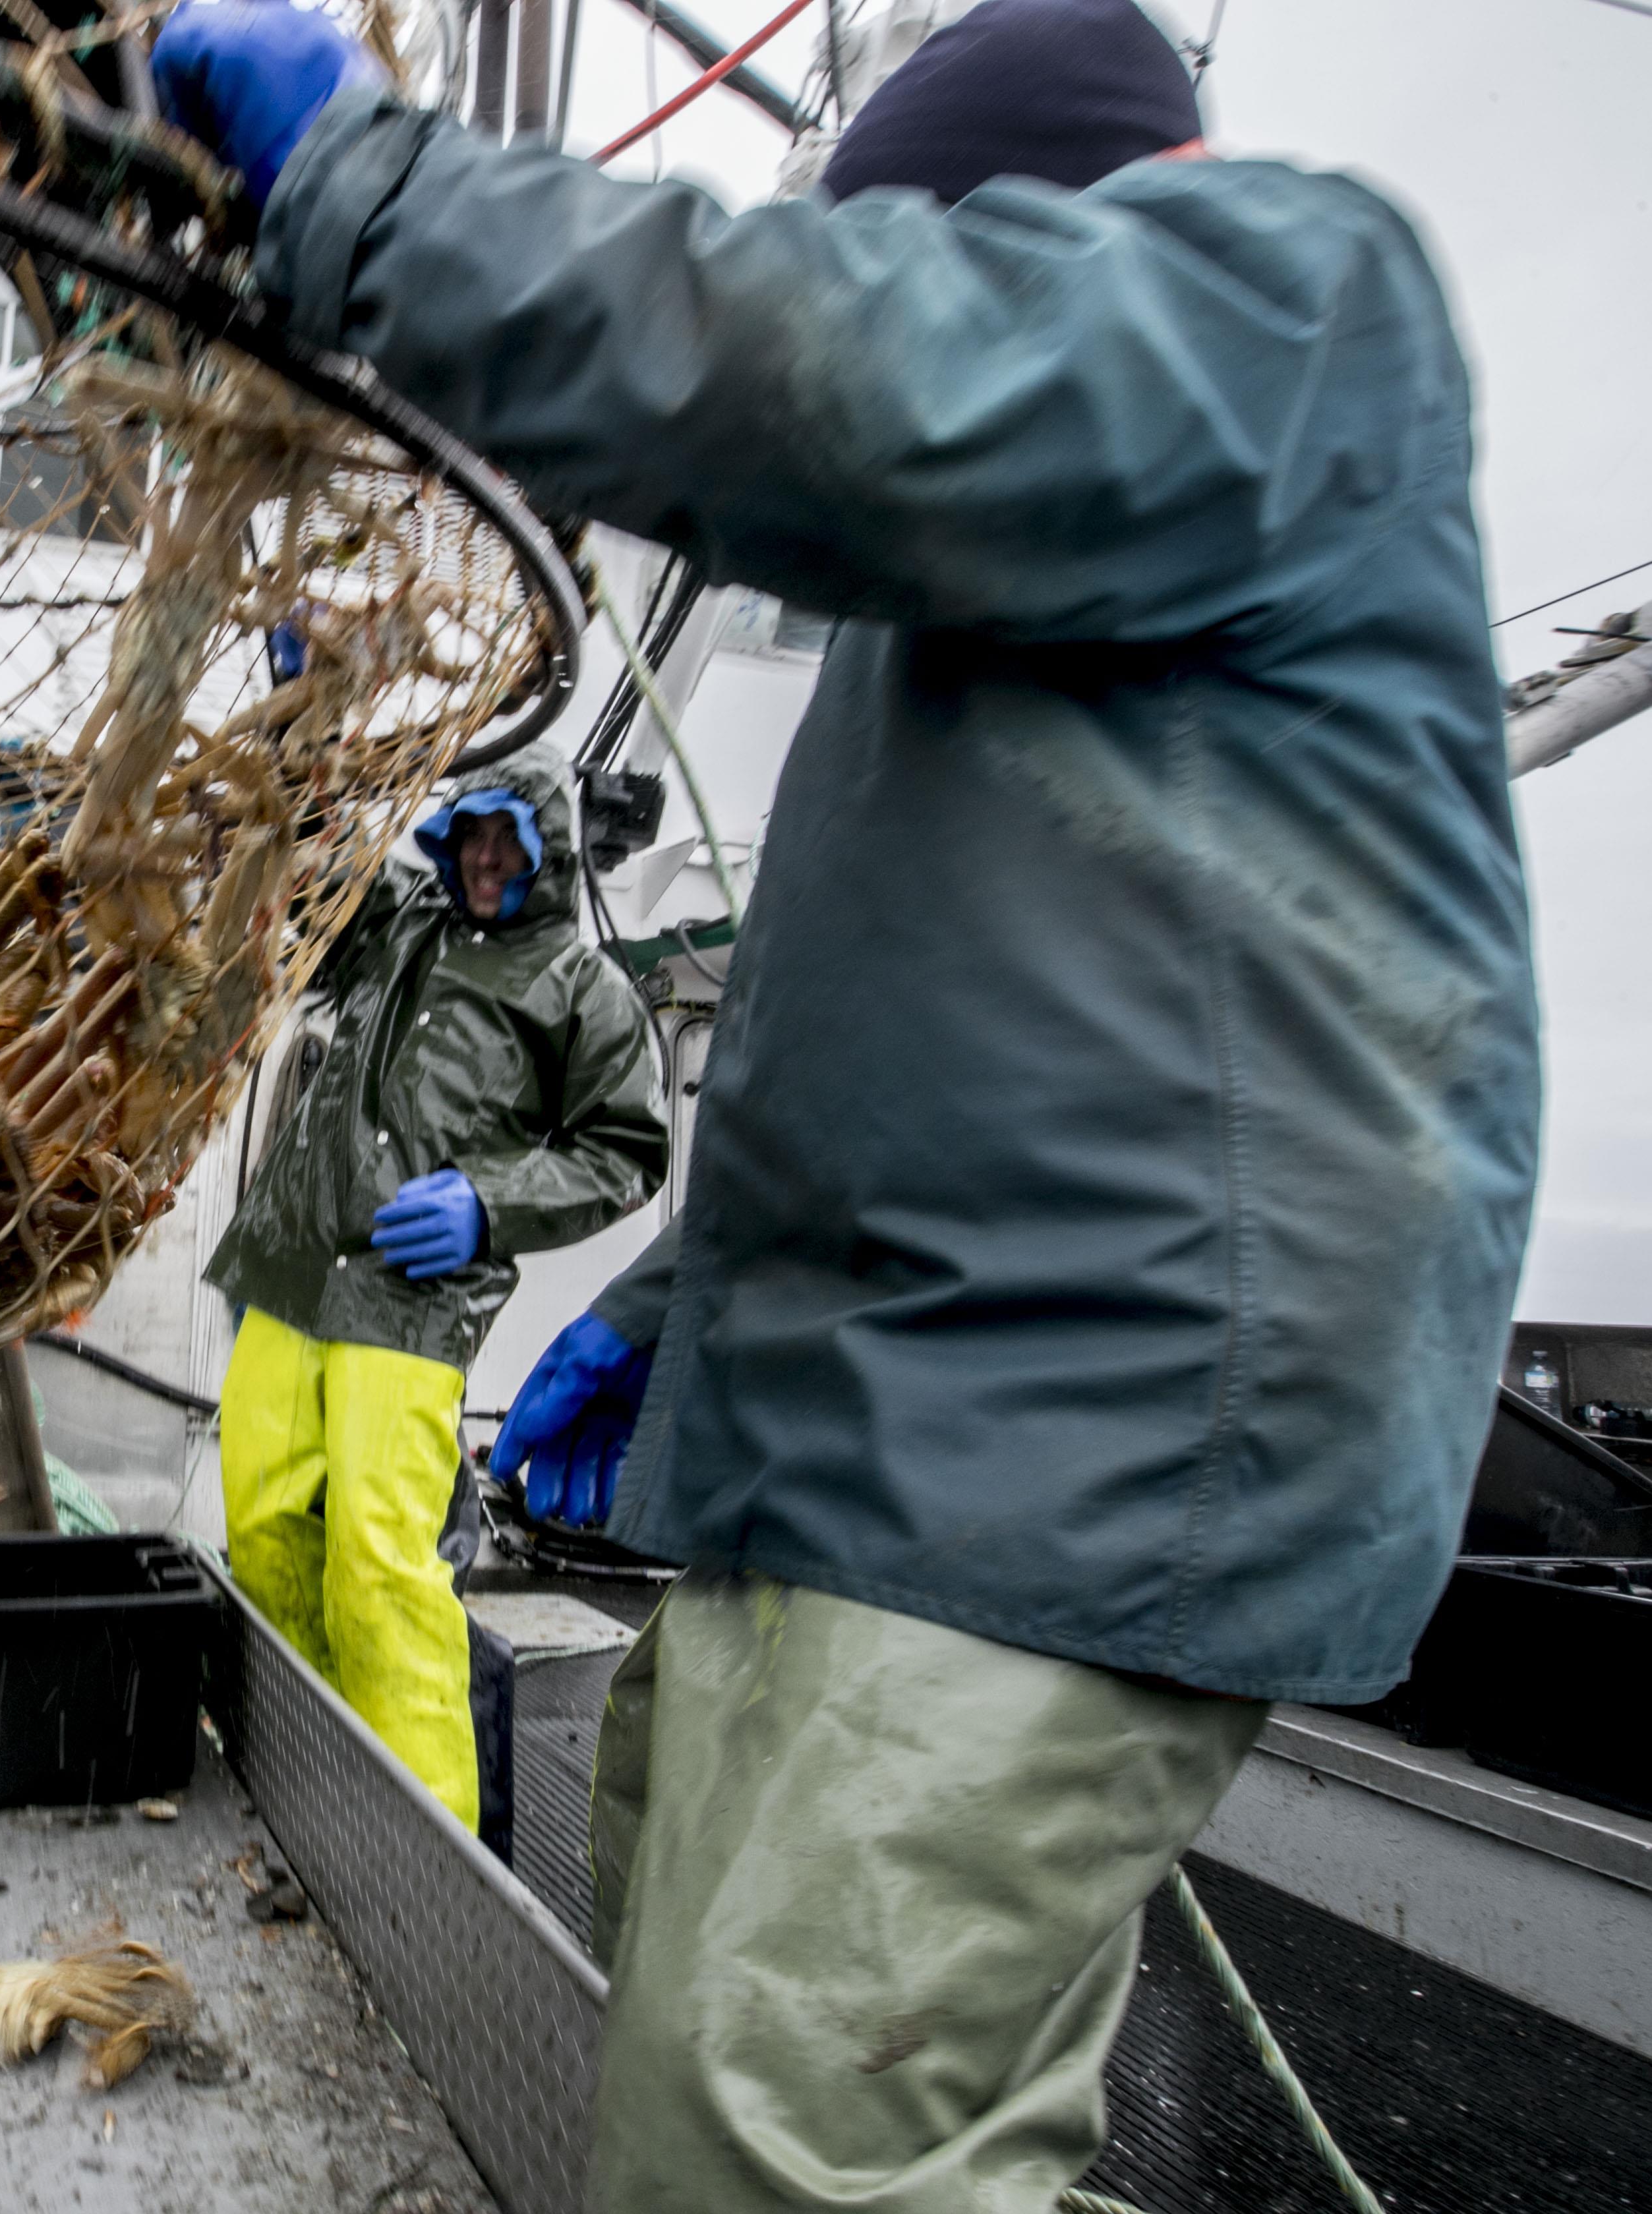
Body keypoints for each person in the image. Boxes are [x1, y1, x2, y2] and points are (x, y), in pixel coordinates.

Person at [156, 1, 1541, 2207]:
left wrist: (374, 190)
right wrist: (671, 1310)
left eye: (921, 267)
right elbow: (968, 1030)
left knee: (779, 2148)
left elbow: (860, 374)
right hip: (877, 1453)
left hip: (1066, 1462)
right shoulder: (1016, 618)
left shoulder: (1291, 295)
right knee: (698, 2019)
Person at [207, 751, 667, 1831]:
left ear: (549, 847)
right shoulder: (397, 927)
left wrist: (488, 1206)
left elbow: (626, 1151)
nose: (488, 857)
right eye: (470, 835)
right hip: (286, 1268)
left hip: (410, 1304)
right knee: (264, 1522)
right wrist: (311, 729)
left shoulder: (584, 989)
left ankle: (430, 1835)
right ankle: (301, 1786)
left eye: (509, 837)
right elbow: (314, 869)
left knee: (380, 1559)